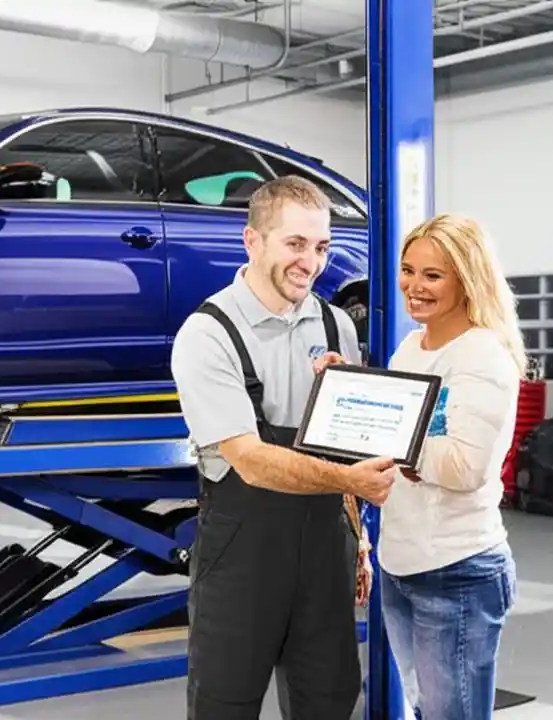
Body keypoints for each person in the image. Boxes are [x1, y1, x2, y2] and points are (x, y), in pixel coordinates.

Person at [170, 175, 397, 720]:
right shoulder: (209, 334)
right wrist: (349, 482)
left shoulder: (335, 324)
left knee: (329, 701)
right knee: (224, 704)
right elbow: (248, 459)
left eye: (321, 247)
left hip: (326, 554)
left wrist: (358, 535)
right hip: (243, 556)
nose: (311, 263)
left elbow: (343, 447)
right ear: (253, 242)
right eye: (295, 244)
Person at [314, 213, 523, 719]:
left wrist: (384, 432)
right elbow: (402, 418)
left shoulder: (483, 356)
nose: (413, 286)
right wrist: (353, 391)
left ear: (467, 279)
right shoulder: (414, 345)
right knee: (429, 710)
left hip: (457, 568)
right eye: (408, 270)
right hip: (403, 563)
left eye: (433, 275)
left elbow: (463, 468)